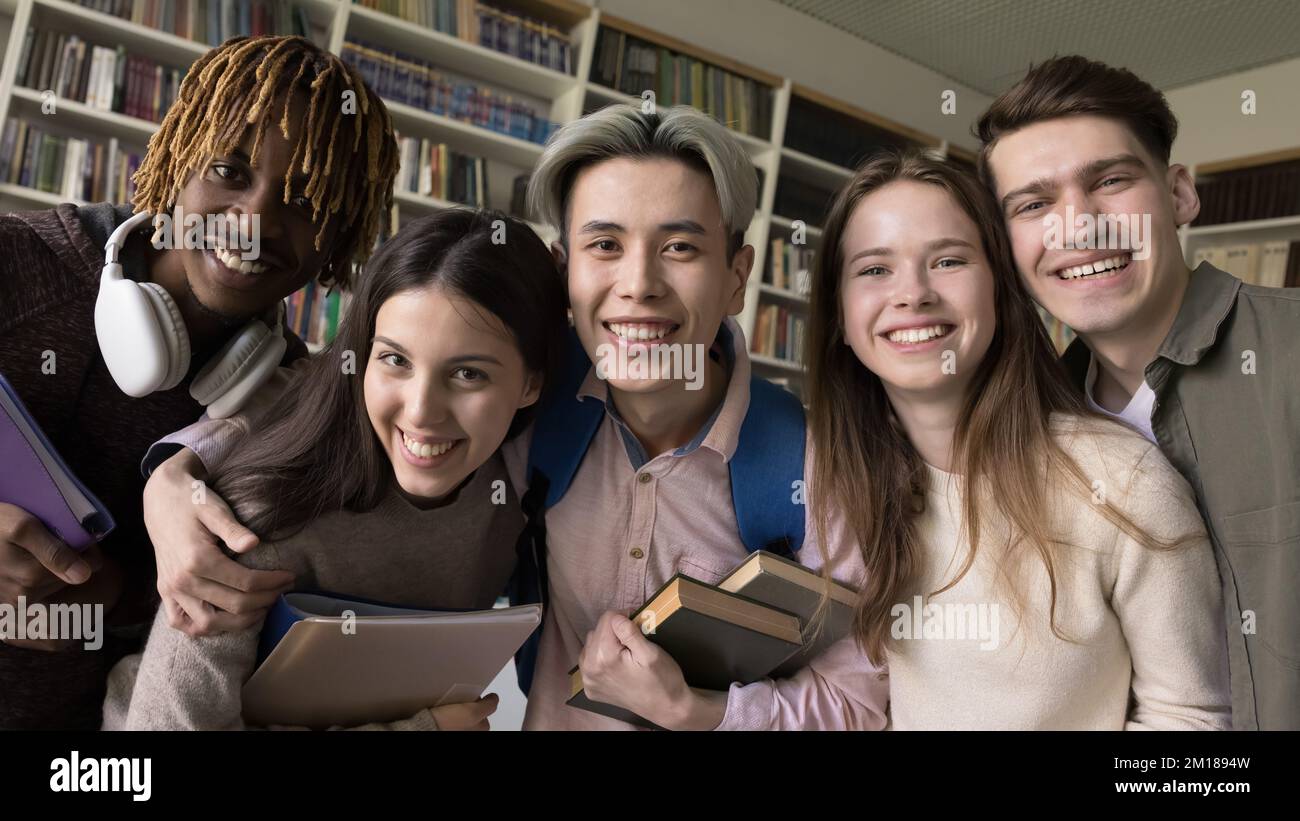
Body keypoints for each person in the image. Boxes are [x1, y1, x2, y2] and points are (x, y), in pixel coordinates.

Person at [141, 104, 890, 730]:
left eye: (680, 247)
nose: (638, 285)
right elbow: (343, 389)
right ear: (566, 269)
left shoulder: (821, 469)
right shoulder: (525, 395)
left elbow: (862, 705)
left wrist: (696, 711)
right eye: (605, 245)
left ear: (736, 276)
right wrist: (175, 474)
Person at [0, 35, 398, 730]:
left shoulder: (294, 410)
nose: (253, 222)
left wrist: (117, 594)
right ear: (176, 159)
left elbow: (230, 636)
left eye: (306, 200)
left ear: (340, 240)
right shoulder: (18, 266)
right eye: (228, 169)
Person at [805, 149, 1230, 729]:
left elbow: (1198, 723)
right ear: (840, 318)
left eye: (949, 261)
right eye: (874, 269)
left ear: (1001, 294)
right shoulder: (827, 486)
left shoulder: (1122, 482)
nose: (913, 295)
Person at [103, 209, 567, 729]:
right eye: (395, 360)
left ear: (532, 384)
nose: (420, 412)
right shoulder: (258, 521)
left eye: (468, 373)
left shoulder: (513, 500)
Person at [978, 55, 1300, 729]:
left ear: (1179, 193)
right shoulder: (1020, 429)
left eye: (1110, 180)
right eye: (1034, 204)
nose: (1078, 226)